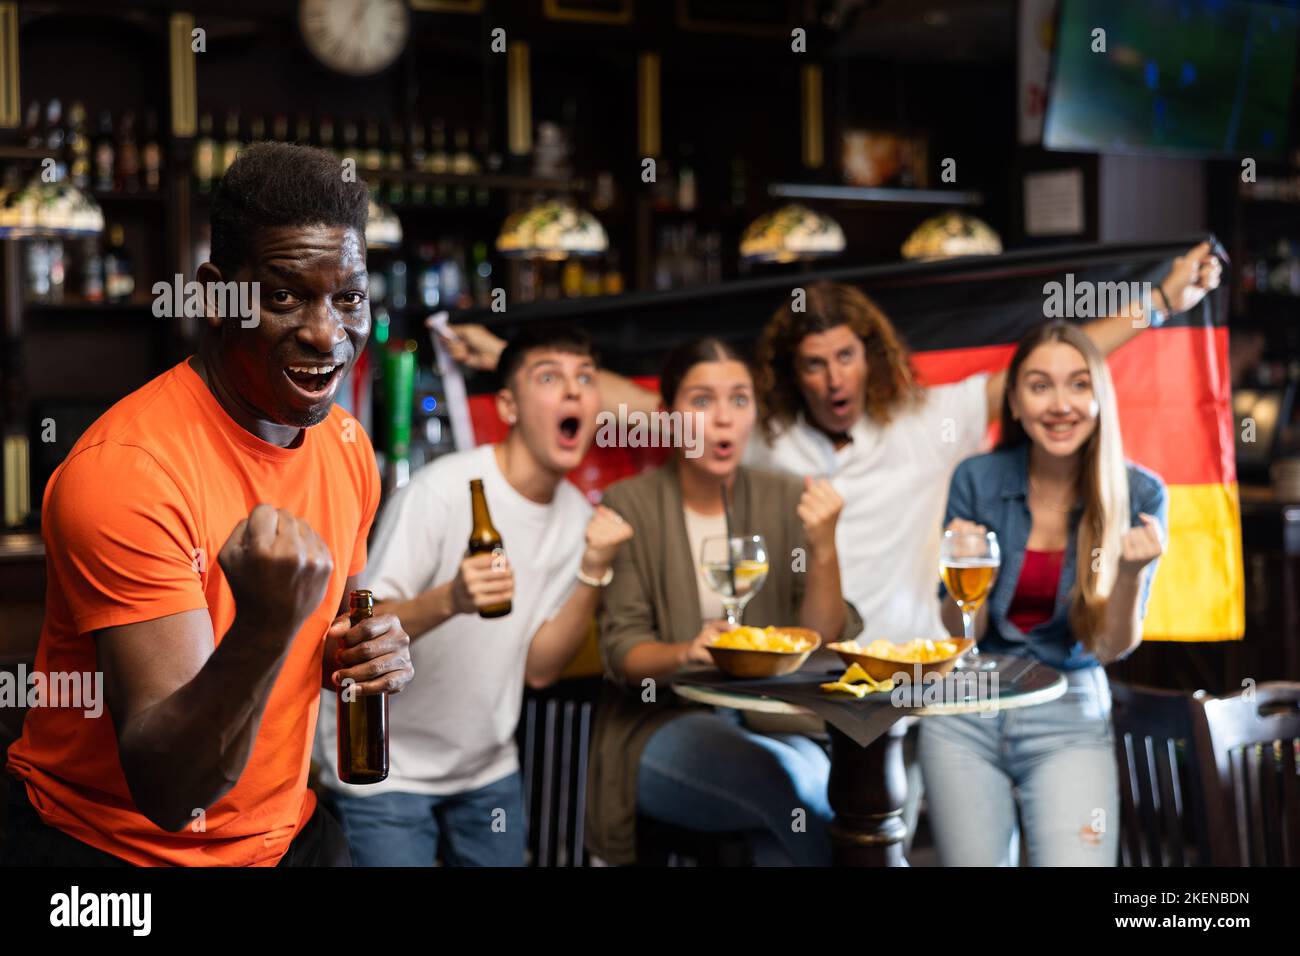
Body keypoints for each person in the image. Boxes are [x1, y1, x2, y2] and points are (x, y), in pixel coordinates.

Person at [438, 243, 1219, 645]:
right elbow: (647, 407)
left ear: (870, 356)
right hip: (821, 670)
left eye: (846, 356)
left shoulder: (932, 417)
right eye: (814, 364)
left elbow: (1055, 364)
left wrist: (1161, 299)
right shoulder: (769, 440)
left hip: (922, 663)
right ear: (793, 372)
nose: (833, 377)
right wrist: (502, 356)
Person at [3, 142, 413, 867]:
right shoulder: (128, 474)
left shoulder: (348, 447)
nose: (327, 334)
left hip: (281, 835)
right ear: (216, 295)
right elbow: (174, 790)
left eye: (348, 297)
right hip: (113, 850)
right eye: (284, 296)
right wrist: (264, 624)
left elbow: (330, 639)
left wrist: (365, 652)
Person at [314, 324, 633, 867]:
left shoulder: (579, 519)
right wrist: (452, 598)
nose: (574, 391)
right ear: (508, 405)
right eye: (551, 377)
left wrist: (594, 571)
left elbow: (541, 669)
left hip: (486, 770)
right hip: (386, 767)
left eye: (586, 378)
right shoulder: (442, 490)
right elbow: (359, 632)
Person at [585, 338, 863, 867]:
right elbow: (624, 656)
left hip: (769, 721)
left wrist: (824, 548)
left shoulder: (785, 496)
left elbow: (823, 638)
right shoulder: (631, 505)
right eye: (701, 401)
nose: (722, 420)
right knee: (785, 785)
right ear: (668, 417)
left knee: (825, 790)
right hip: (657, 725)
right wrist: (691, 651)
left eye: (739, 400)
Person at [919, 321, 1167, 866]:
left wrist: (1127, 574)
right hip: (969, 707)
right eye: (1039, 385)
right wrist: (970, 575)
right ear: (1013, 401)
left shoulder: (1141, 492)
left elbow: (1109, 648)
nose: (1060, 405)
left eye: (1078, 385)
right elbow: (958, 628)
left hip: (1070, 711)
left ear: (1100, 395)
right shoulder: (976, 479)